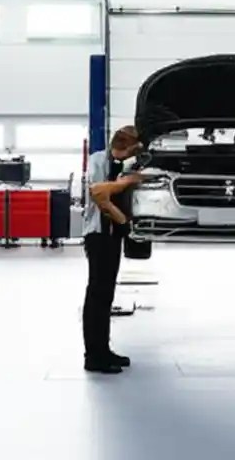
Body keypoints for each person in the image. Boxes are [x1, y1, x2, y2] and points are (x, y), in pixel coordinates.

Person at [81, 126, 143, 374]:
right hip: (98, 235)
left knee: (106, 296)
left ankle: (103, 350)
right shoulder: (99, 160)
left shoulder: (124, 164)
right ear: (126, 146)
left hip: (112, 236)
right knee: (97, 294)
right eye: (133, 149)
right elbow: (99, 195)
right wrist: (123, 221)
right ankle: (93, 356)